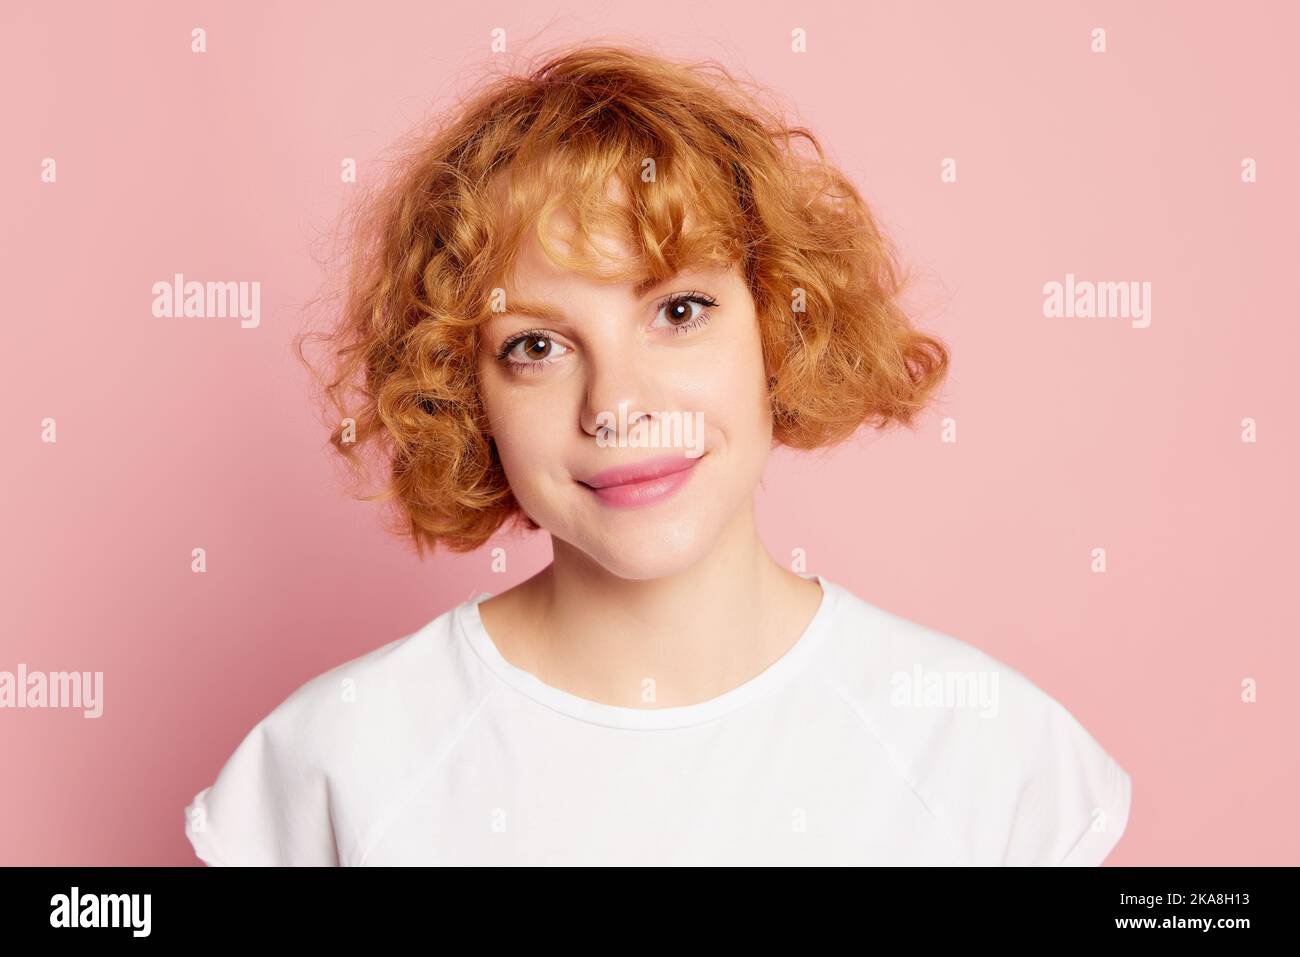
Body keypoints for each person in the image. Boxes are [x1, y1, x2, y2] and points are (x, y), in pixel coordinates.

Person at [183, 43, 1131, 866]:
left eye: (678, 312)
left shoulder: (986, 754)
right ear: (466, 395)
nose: (618, 405)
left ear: (780, 324)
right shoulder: (336, 762)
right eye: (537, 346)